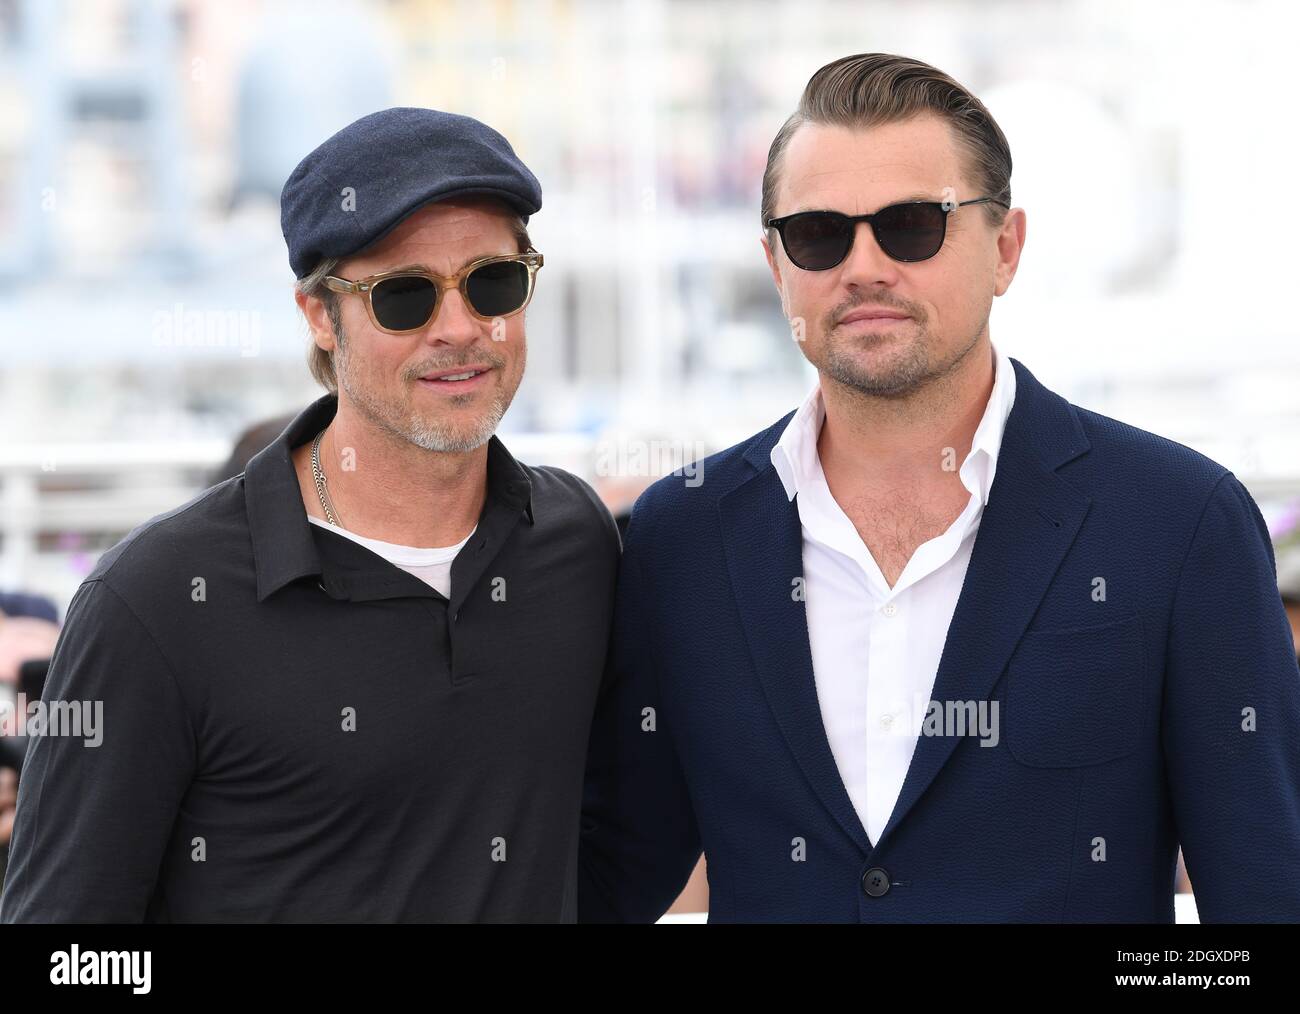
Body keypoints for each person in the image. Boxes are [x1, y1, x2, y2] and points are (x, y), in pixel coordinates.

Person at [579, 53, 1300, 923]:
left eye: (913, 224)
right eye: (818, 233)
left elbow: (1264, 895)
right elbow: (610, 870)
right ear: (776, 267)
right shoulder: (682, 537)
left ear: (1006, 249)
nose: (864, 266)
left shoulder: (1181, 526)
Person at [2, 107, 619, 922]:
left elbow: (621, 839)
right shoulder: (154, 603)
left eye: (492, 282)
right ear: (321, 318)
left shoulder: (576, 546)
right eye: (404, 297)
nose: (462, 328)